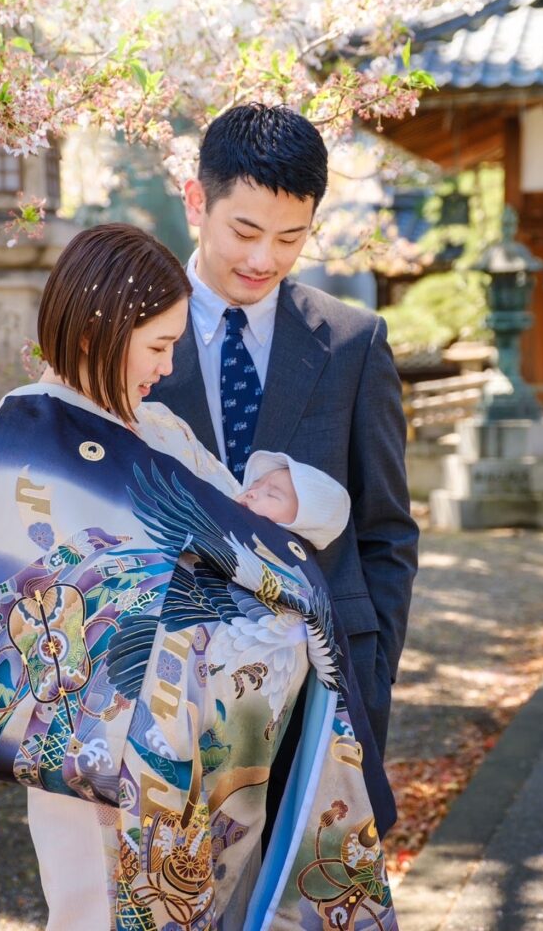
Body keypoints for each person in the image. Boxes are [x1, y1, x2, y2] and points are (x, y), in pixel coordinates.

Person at [0, 223, 399, 931]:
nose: (165, 364)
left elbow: (257, 545)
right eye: (155, 346)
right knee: (93, 906)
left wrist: (292, 503)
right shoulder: (23, 437)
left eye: (174, 344)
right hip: (90, 747)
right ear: (96, 332)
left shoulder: (163, 431)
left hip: (210, 751)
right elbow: (14, 596)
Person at [149, 103, 419, 770]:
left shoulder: (353, 343)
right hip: (168, 696)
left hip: (325, 695)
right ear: (195, 202)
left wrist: (371, 670)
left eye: (290, 237)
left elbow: (386, 531)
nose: (262, 258)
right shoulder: (126, 337)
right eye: (243, 230)